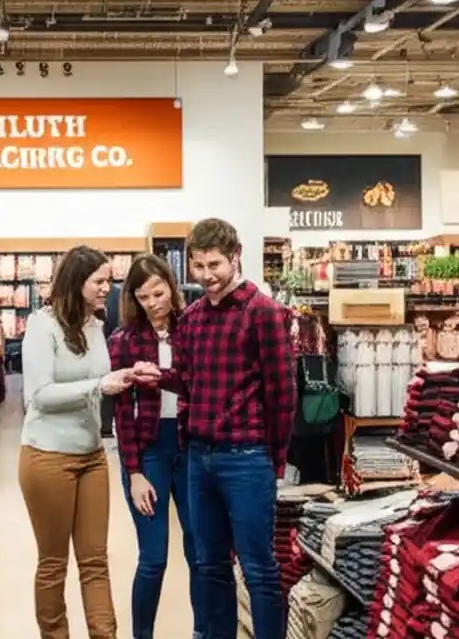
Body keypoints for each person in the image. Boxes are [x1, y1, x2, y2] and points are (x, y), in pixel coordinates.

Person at [135, 218, 296, 639]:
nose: (206, 275)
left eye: (215, 265)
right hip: (198, 457)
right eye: (199, 266)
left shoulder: (265, 313)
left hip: (247, 457)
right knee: (209, 565)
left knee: (258, 568)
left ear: (236, 257)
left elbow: (282, 395)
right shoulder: (192, 318)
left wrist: (274, 463)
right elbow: (188, 380)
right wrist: (157, 377)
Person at [20, 245, 131, 639]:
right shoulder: (42, 325)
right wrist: (99, 385)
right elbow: (39, 395)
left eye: (109, 281)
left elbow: (103, 379)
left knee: (95, 561)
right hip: (47, 457)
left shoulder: (96, 325)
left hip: (92, 455)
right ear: (76, 281)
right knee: (53, 563)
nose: (106, 288)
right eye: (99, 281)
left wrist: (127, 376)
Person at [107, 254, 207, 639]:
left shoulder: (193, 330)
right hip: (148, 452)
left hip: (191, 447)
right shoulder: (124, 341)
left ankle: (203, 632)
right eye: (143, 297)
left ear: (172, 286)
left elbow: (200, 386)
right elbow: (121, 413)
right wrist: (133, 473)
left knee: (200, 554)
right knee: (153, 557)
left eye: (159, 293)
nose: (153, 303)